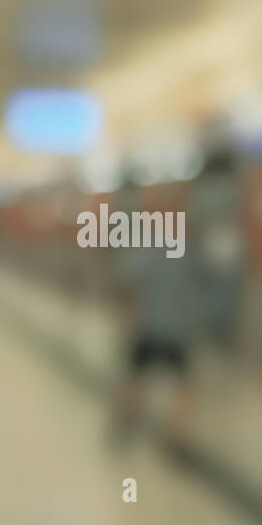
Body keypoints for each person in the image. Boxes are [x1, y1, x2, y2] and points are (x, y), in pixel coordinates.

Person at [107, 189, 200, 453]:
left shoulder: (145, 249)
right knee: (182, 386)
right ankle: (175, 440)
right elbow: (196, 289)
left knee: (136, 377)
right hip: (174, 329)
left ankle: (124, 424)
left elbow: (128, 287)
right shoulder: (186, 249)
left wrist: (127, 320)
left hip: (149, 327)